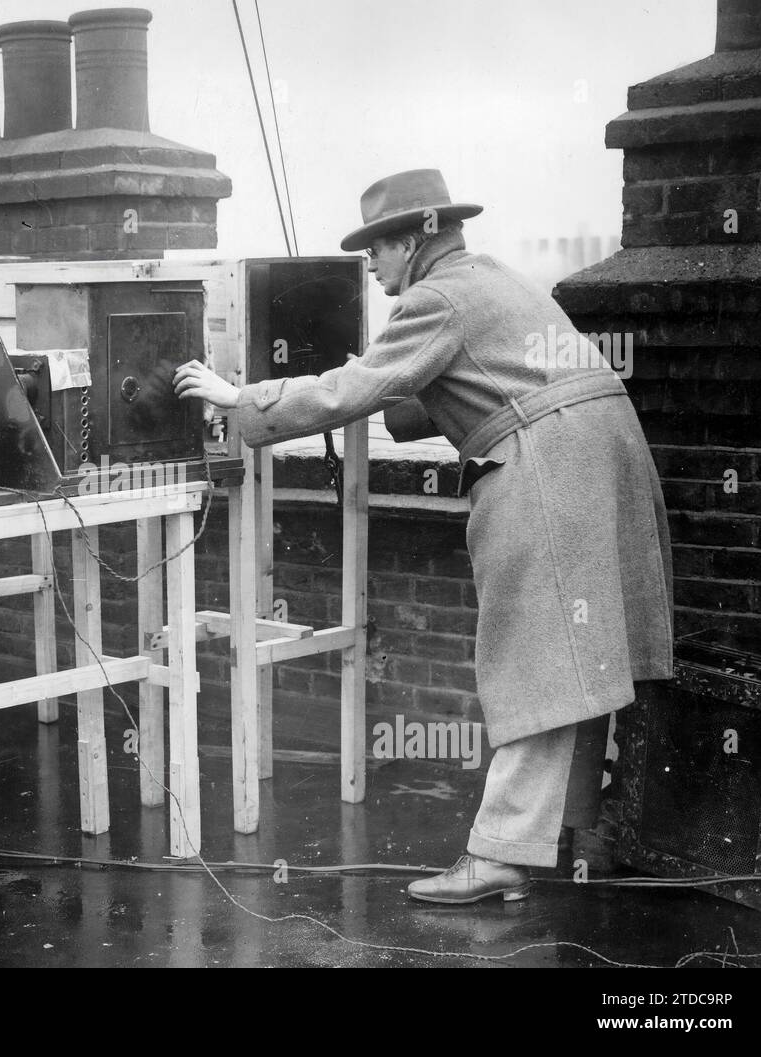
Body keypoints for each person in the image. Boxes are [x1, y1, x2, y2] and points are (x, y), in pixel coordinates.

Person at [174, 169, 673, 904]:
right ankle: (552, 838)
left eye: (378, 248)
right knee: (579, 656)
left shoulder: (434, 296)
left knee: (533, 655)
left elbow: (362, 389)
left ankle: (500, 854)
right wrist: (359, 375)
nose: (372, 267)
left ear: (417, 238)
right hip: (602, 452)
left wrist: (241, 397)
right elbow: (420, 387)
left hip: (547, 464)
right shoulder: (489, 276)